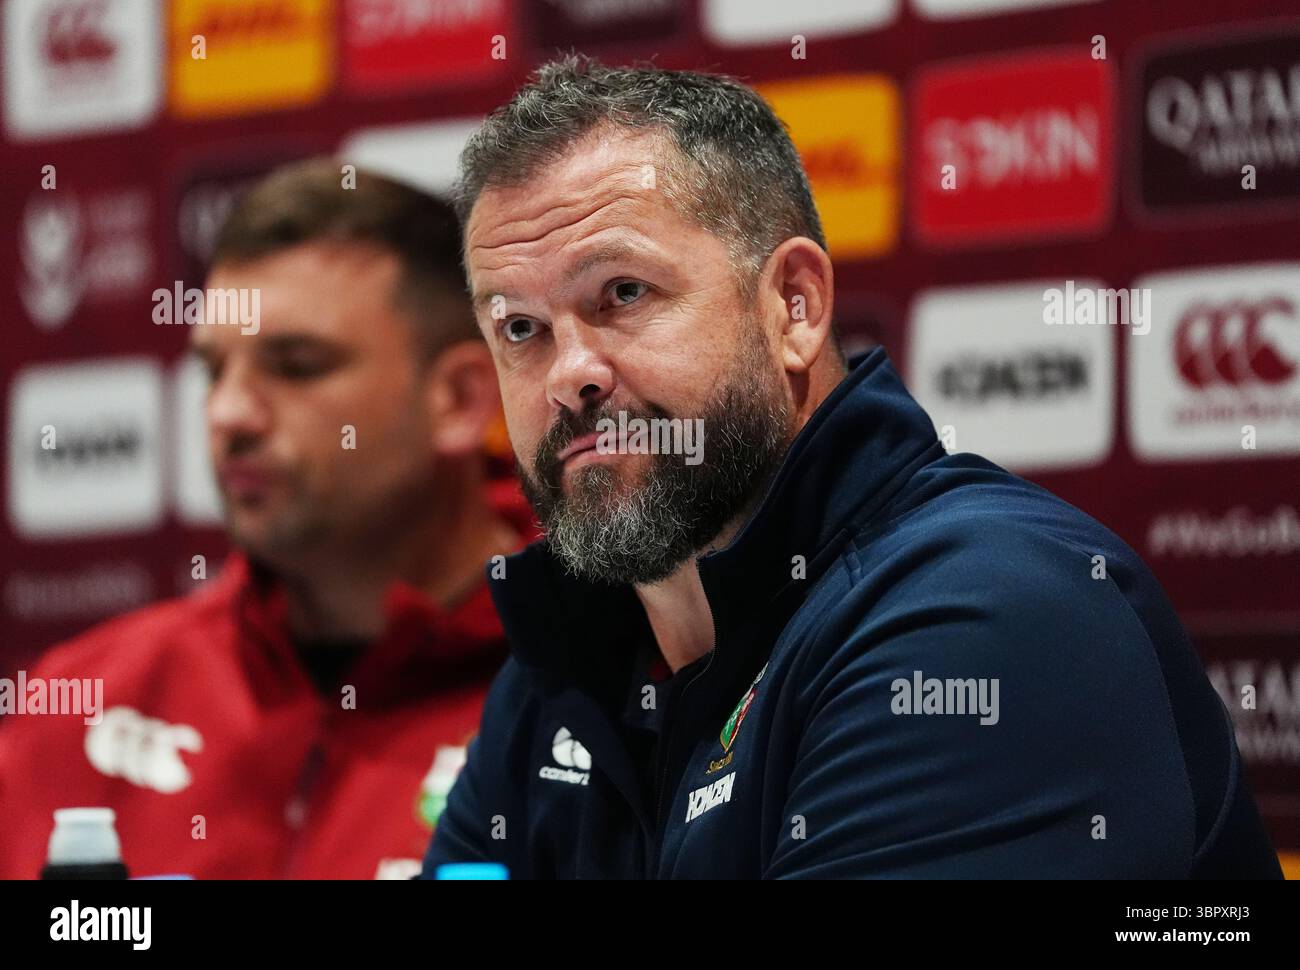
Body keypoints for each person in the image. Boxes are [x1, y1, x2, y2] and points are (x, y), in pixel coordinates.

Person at [422, 56, 1283, 879]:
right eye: (521, 329)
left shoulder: (986, 616)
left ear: (794, 307)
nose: (570, 375)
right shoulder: (561, 667)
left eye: (622, 293)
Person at [0, 160, 528, 879]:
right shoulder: (84, 700)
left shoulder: (597, 686)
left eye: (297, 365)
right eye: (216, 370)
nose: (230, 415)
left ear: (461, 400)